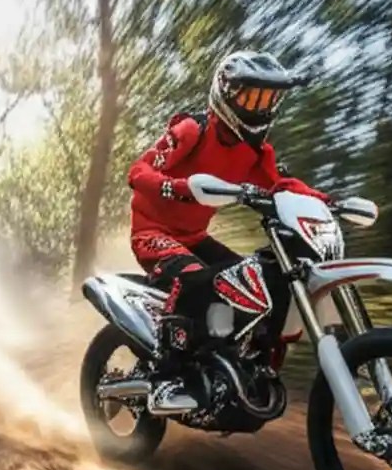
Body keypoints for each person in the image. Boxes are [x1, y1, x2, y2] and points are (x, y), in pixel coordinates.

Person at [126, 50, 327, 415]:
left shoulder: (257, 152)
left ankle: (235, 362)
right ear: (226, 93)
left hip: (193, 237)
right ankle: (165, 378)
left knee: (256, 283)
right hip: (152, 232)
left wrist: (329, 201)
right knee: (196, 279)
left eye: (268, 99)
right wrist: (177, 187)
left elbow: (282, 185)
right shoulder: (192, 130)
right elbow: (138, 172)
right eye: (251, 97)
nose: (260, 107)